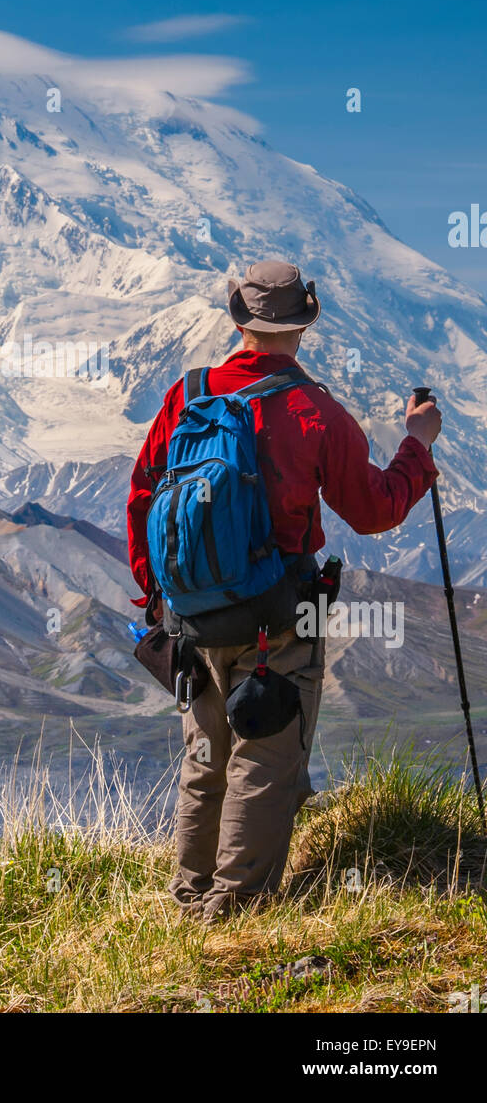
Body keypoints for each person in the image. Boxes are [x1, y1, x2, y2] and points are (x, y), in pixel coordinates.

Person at [126, 260, 442, 922]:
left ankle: (190, 901)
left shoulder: (187, 396)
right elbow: (375, 508)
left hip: (191, 621)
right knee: (262, 762)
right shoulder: (315, 411)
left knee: (206, 755)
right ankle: (233, 913)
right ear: (304, 322)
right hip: (278, 624)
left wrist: (158, 600)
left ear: (240, 318)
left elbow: (143, 497)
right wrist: (417, 447)